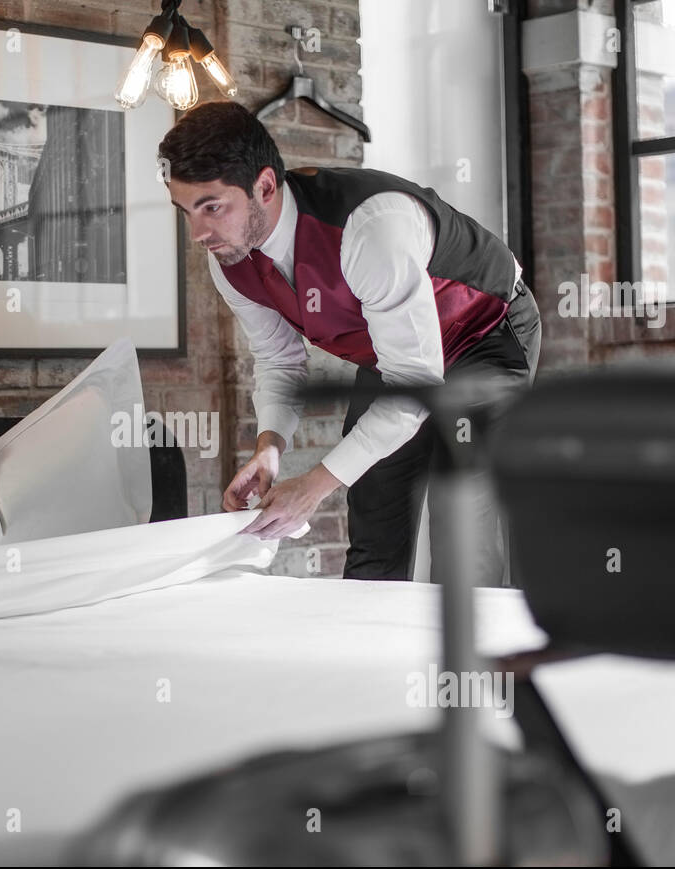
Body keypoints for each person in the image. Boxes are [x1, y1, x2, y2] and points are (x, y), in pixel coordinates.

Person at [157, 101, 541, 586]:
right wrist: (270, 446)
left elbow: (416, 381)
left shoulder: (368, 230)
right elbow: (278, 357)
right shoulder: (229, 258)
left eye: (211, 207)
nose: (197, 232)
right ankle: (375, 653)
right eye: (186, 211)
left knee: (460, 500)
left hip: (485, 332)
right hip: (393, 353)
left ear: (265, 186)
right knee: (375, 494)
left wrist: (313, 488)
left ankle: (469, 658)